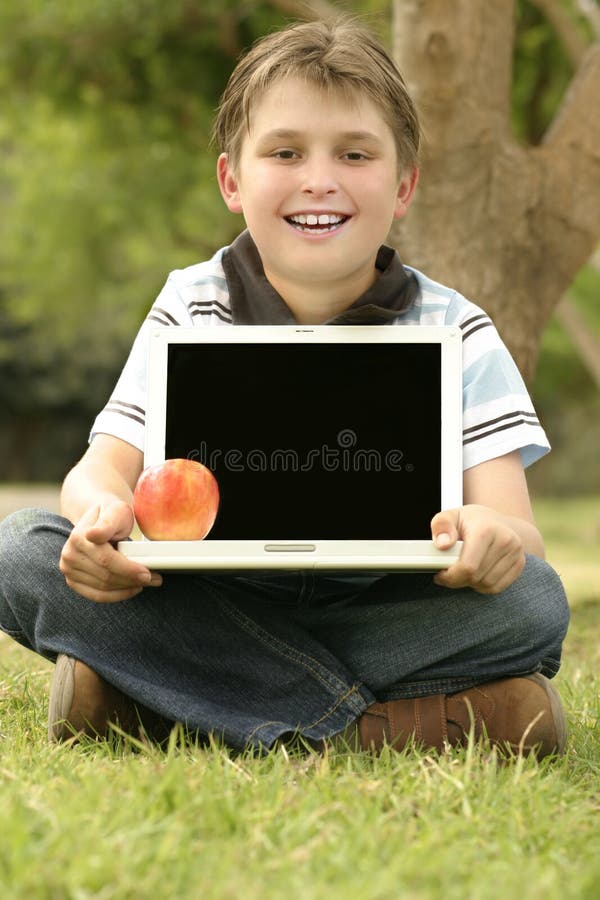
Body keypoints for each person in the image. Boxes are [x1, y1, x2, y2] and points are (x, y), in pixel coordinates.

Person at [0, 18, 569, 757]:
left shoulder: (458, 330)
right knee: (20, 551)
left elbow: (517, 530)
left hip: (384, 607)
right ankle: (370, 727)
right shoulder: (190, 302)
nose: (319, 179)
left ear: (404, 185)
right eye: (286, 151)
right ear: (233, 180)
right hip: (216, 597)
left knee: (534, 601)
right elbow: (102, 469)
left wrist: (493, 542)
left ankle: (168, 699)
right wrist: (100, 513)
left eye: (355, 153)